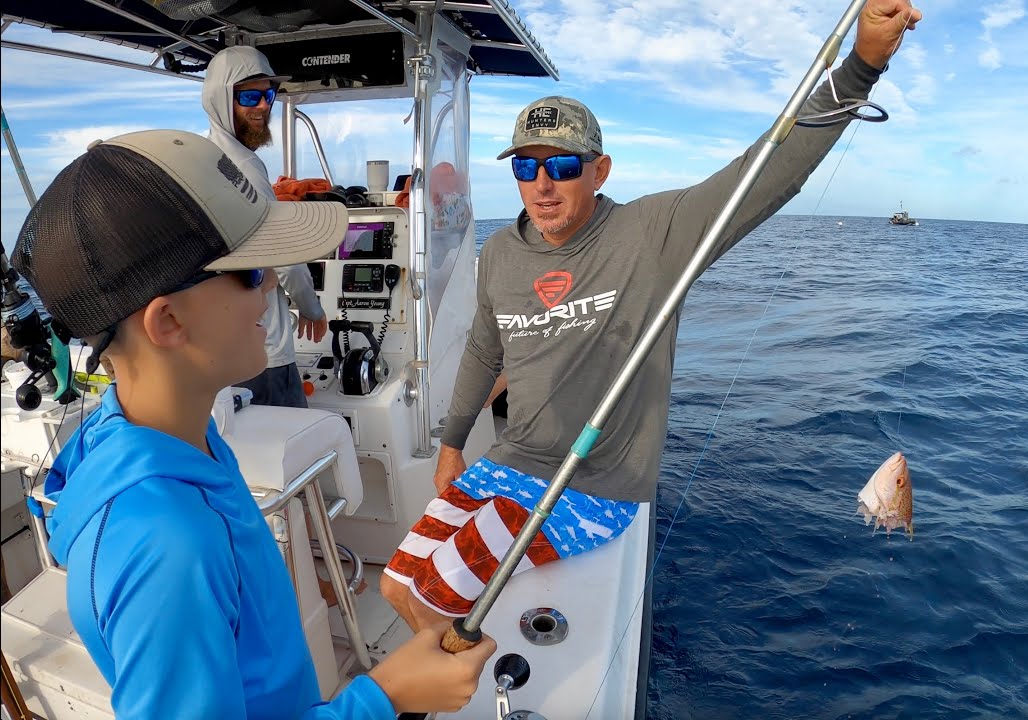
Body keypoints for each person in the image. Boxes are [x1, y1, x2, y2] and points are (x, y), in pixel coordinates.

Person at [381, 0, 923, 632]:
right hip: (512, 460)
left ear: (599, 170)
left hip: (593, 490)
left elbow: (767, 170)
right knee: (396, 584)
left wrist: (859, 67)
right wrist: (451, 446)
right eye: (526, 167)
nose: (542, 185)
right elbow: (483, 350)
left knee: (433, 598)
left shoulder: (653, 232)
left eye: (561, 165)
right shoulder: (501, 250)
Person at [11, 129, 495, 718]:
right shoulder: (167, 543)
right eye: (249, 272)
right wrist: (383, 698)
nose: (271, 284)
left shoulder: (164, 439)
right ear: (167, 324)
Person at [203, 46, 328, 408]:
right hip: (266, 350)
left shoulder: (205, 157)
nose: (262, 106)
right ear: (220, 99)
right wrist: (312, 308)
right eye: (248, 96)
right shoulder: (243, 168)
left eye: (268, 94)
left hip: (226, 349)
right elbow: (284, 256)